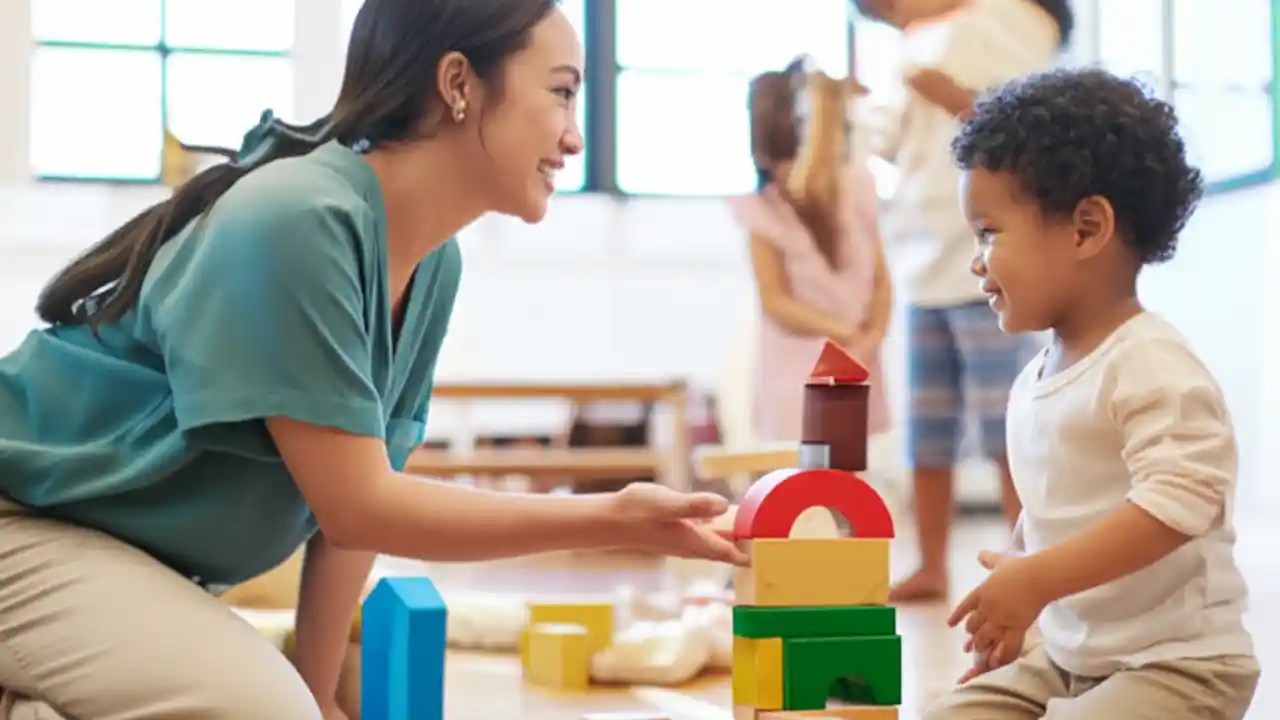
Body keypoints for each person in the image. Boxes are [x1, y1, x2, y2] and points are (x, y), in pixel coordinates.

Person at [0, 1, 747, 718]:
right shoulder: (298, 219)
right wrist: (612, 517)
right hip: (26, 529)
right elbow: (359, 503)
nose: (575, 138)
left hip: (122, 555)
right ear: (458, 83)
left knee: (314, 699)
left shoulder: (430, 264)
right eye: (560, 94)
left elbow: (356, 516)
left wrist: (319, 691)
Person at [926, 67, 1259, 719]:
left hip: (1180, 668)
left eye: (989, 232)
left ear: (1085, 228)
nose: (976, 260)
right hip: (1070, 659)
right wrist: (1017, 588)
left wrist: (1039, 579)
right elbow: (1054, 508)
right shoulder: (1036, 377)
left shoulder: (1150, 361)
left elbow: (1182, 499)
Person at [852, 0, 1074, 602]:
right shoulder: (921, 44)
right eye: (887, 14)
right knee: (927, 432)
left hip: (991, 265)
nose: (900, 18)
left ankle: (1025, 561)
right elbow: (888, 139)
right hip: (923, 263)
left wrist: (944, 90)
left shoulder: (1013, 20)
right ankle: (931, 565)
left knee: (1010, 428)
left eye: (896, 6)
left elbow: (1027, 131)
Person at [729, 58, 893, 444]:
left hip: (858, 358)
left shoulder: (858, 190)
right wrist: (844, 331)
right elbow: (776, 300)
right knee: (804, 473)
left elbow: (881, 280)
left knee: (847, 470)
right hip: (799, 366)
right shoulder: (762, 212)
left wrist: (871, 337)